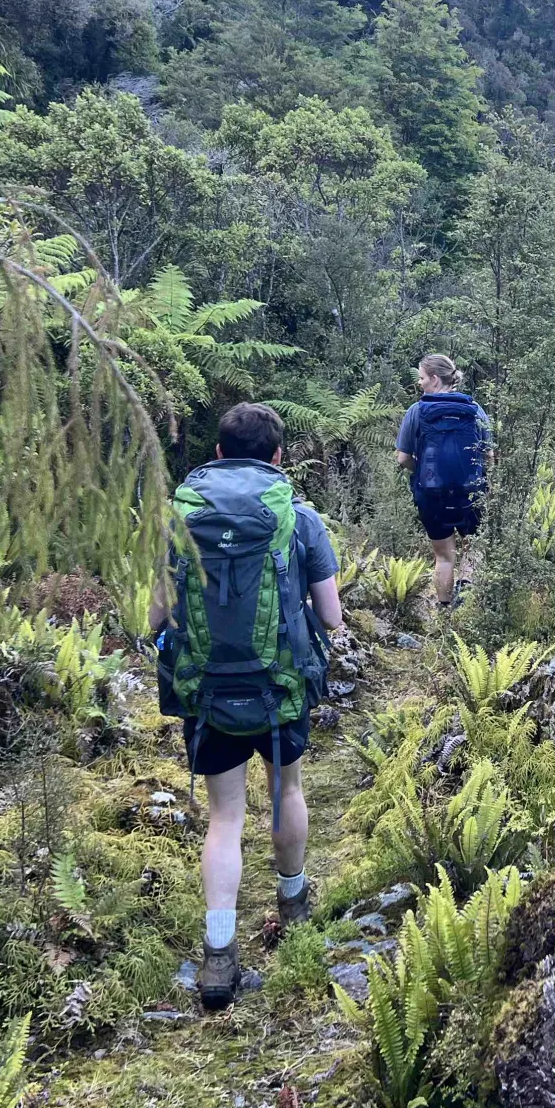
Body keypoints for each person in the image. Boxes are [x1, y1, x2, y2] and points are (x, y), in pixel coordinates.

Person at [151, 402, 344, 1012]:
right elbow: (333, 617)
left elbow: (153, 615)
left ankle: (219, 958)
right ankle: (293, 905)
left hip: (207, 692)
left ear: (217, 454)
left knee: (224, 817)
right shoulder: (302, 519)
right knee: (287, 790)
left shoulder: (178, 520)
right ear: (278, 457)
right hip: (279, 686)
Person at [393, 354, 491, 608]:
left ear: (435, 379)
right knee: (473, 548)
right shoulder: (474, 409)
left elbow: (403, 458)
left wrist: (421, 471)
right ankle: (469, 601)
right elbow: (489, 455)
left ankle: (445, 611)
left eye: (422, 378)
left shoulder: (416, 411)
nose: (420, 383)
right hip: (471, 494)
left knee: (444, 557)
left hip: (432, 496)